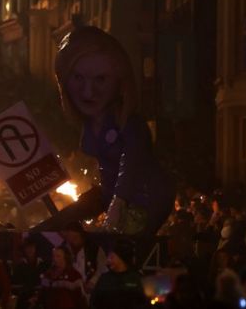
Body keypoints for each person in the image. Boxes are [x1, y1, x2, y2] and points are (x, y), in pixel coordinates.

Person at [54, 26, 174, 236]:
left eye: (100, 79)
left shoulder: (129, 125)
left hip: (142, 202)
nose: (88, 91)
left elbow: (130, 165)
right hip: (111, 200)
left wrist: (118, 202)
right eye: (78, 78)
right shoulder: (91, 125)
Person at [89, 240, 146, 309]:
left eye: (112, 257)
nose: (108, 260)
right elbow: (94, 303)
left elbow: (144, 303)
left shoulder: (137, 279)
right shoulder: (104, 279)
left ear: (121, 258)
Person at [60, 222, 107, 295]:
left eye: (75, 237)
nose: (72, 241)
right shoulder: (62, 250)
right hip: (68, 293)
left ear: (81, 235)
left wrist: (92, 282)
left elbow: (103, 267)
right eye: (69, 238)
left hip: (89, 292)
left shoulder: (94, 249)